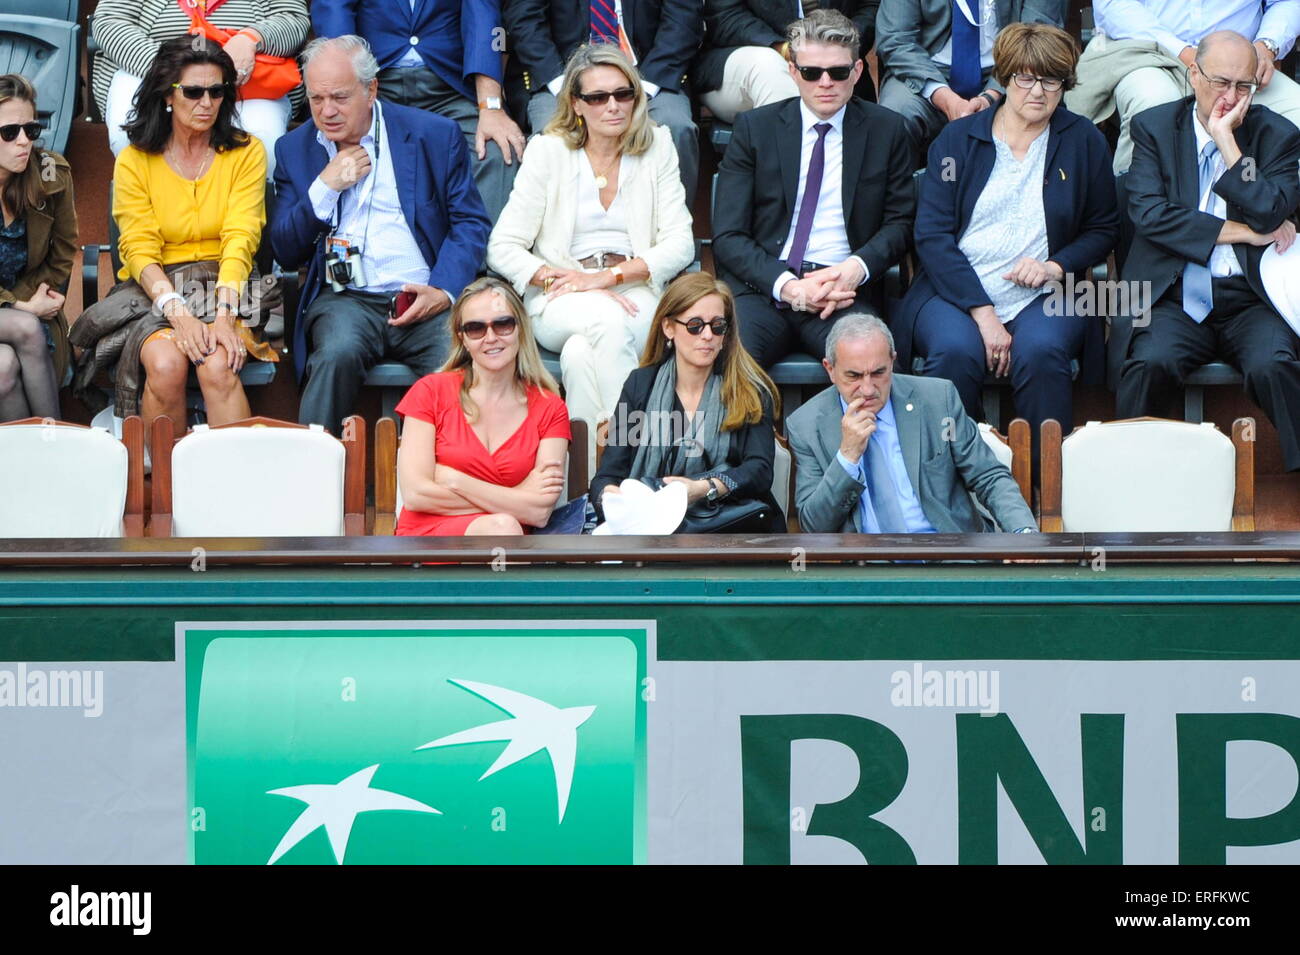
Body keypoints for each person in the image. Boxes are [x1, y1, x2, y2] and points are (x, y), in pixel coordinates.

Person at [895, 23, 1118, 445]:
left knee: (1040, 352)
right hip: (954, 290)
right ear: (1005, 77)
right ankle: (962, 478)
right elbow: (932, 236)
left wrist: (1056, 266)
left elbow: (1103, 228)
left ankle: (1043, 485)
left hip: (1049, 292)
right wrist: (983, 313)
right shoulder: (956, 141)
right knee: (955, 352)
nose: (1038, 91)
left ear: (1065, 83)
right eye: (1025, 77)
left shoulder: (1084, 140)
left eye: (1051, 79)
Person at [271, 36, 491, 438]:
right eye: (316, 99)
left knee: (457, 363)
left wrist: (443, 291)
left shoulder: (432, 135)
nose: (327, 111)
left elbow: (470, 224)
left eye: (339, 97)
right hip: (346, 301)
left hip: (424, 296)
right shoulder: (295, 149)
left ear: (371, 89)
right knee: (335, 353)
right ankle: (311, 472)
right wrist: (325, 187)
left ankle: (454, 481)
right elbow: (285, 249)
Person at [71, 37, 276, 445]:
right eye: (194, 91)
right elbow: (138, 247)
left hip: (232, 285)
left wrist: (222, 316)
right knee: (165, 363)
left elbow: (242, 236)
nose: (207, 102)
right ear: (168, 94)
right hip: (157, 287)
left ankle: (240, 486)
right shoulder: (135, 158)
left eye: (217, 91)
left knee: (217, 362)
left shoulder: (246, 151)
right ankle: (164, 493)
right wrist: (178, 313)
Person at [1115, 31, 1300, 470]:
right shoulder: (1155, 128)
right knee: (1150, 361)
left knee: (1274, 364)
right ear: (1193, 74)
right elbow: (1151, 215)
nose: (1232, 97)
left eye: (1244, 86)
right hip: (1173, 296)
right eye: (1221, 82)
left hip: (1250, 300)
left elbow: (1271, 210)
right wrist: (1241, 231)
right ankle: (1130, 476)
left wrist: (1227, 143)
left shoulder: (1278, 136)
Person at [486, 44, 694, 434]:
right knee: (605, 323)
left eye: (623, 94)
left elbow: (680, 241)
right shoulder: (548, 152)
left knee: (580, 355)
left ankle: (586, 480)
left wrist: (604, 280)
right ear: (576, 104)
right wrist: (560, 279)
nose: (612, 106)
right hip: (560, 295)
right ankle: (635, 457)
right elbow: (503, 247)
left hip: (636, 291)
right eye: (597, 97)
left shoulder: (658, 146)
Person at [712, 9, 914, 369]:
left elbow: (900, 224)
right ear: (793, 72)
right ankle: (758, 430)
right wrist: (789, 287)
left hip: (843, 292)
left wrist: (855, 268)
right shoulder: (755, 129)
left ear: (856, 72)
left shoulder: (888, 131)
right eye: (811, 72)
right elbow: (729, 235)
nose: (825, 83)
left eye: (838, 72)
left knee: (873, 365)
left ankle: (850, 430)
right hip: (764, 289)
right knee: (731, 363)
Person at [786, 314, 1037, 533]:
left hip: (949, 554)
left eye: (878, 373)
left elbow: (988, 476)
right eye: (853, 376)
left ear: (893, 361)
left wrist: (1023, 531)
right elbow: (814, 525)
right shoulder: (807, 425)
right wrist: (847, 457)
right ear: (830, 369)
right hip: (867, 569)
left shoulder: (938, 400)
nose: (867, 388)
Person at [590, 272, 785, 532]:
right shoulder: (640, 384)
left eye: (717, 326)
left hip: (730, 528)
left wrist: (705, 488)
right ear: (668, 327)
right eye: (695, 325)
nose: (707, 335)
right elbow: (607, 475)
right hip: (652, 529)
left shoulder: (749, 388)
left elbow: (759, 470)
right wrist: (611, 497)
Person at [312, 0, 526, 223]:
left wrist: (491, 106)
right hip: (374, 84)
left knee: (498, 150)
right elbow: (333, 10)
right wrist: (347, 90)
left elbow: (485, 18)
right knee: (347, 157)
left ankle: (479, 255)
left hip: (449, 84)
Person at [395, 277, 572, 537]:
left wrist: (456, 481)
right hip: (427, 538)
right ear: (462, 338)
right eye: (475, 329)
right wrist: (517, 498)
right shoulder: (430, 391)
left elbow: (539, 511)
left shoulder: (550, 407)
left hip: (505, 546)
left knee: (504, 528)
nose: (490, 337)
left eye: (503, 324)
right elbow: (416, 495)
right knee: (504, 526)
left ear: (520, 329)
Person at [1067, 0, 1300, 174]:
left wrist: (1267, 44)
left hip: (1240, 64)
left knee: (1296, 111)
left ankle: (1271, 215)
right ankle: (1137, 224)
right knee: (1154, 106)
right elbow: (1113, 5)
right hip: (1150, 52)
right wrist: (1183, 52)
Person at [504, 0, 702, 202]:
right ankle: (557, 231)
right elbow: (525, 20)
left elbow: (682, 22)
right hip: (561, 76)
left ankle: (670, 228)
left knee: (676, 127)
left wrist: (644, 89)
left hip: (649, 75)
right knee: (553, 132)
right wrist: (565, 87)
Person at [91, 0, 309, 177]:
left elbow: (294, 19)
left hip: (244, 74)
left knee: (263, 147)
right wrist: (169, 67)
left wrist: (251, 38)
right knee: (131, 135)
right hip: (151, 66)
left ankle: (245, 223)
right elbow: (110, 22)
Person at [876, 0, 1064, 158]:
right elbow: (896, 39)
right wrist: (945, 98)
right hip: (926, 69)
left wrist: (991, 95)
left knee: (1041, 103)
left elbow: (1040, 36)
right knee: (895, 114)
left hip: (1009, 68)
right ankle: (903, 199)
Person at [0, 75, 76, 422]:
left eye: (30, 130)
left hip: (30, 306)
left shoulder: (50, 174)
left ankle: (28, 462)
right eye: (9, 132)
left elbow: (63, 252)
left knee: (4, 366)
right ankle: (57, 438)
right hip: (21, 314)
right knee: (27, 326)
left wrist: (33, 300)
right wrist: (20, 307)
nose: (23, 142)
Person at [697, 0, 878, 124]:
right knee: (770, 68)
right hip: (753, 55)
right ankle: (788, 175)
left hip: (837, 60)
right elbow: (725, 15)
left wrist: (840, 46)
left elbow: (871, 7)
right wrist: (784, 49)